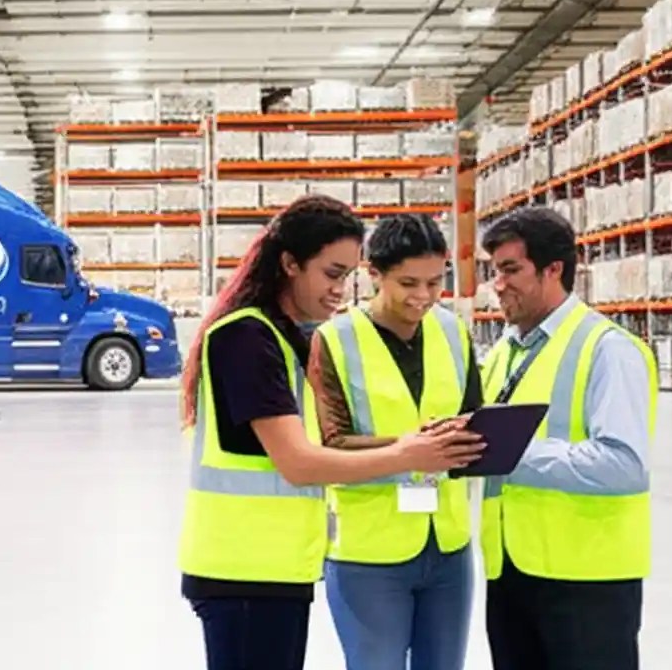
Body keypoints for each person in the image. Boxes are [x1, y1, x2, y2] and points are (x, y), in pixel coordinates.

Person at [177, 195, 486, 670]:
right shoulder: (246, 337)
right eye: (332, 273)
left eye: (346, 275)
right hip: (241, 571)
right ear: (289, 264)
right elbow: (300, 462)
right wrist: (409, 453)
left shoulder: (283, 338)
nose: (341, 289)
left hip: (278, 567)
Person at [478, 207, 656, 670]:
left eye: (511, 270)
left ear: (553, 269)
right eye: (494, 271)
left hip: (587, 580)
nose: (499, 284)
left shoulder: (608, 349)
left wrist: (508, 453)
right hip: (512, 571)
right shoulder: (504, 352)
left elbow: (624, 464)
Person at [308, 214, 483, 670]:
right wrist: (410, 449)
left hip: (448, 546)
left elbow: (474, 419)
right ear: (373, 275)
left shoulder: (453, 331)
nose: (423, 296)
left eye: (434, 282)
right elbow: (329, 444)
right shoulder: (335, 340)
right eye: (408, 283)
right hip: (368, 551)